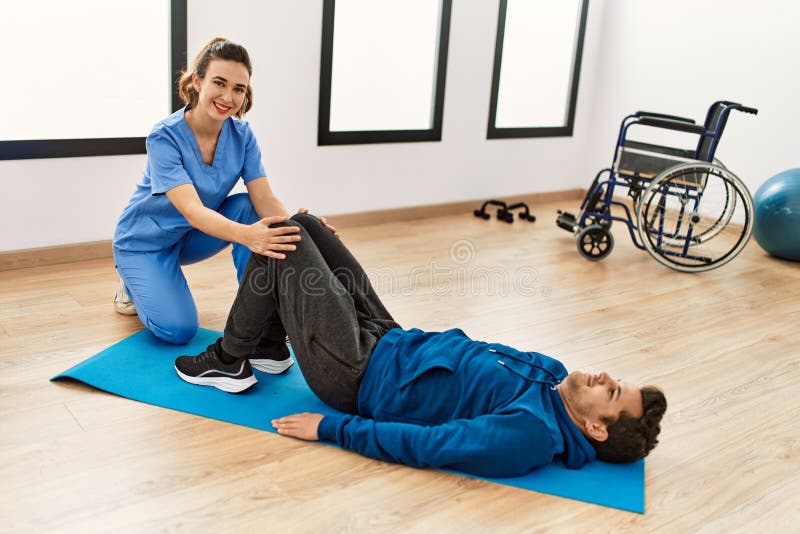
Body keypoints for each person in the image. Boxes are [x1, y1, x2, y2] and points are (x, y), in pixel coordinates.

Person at [174, 212, 667, 476]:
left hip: (356, 374)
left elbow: (431, 446)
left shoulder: (531, 436)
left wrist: (331, 429)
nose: (604, 376)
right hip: (390, 339)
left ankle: (228, 359)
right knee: (305, 226)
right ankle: (268, 344)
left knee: (282, 242)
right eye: (616, 380)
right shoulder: (554, 373)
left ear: (597, 429)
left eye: (611, 392)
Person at [113, 38, 335, 372]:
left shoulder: (242, 136)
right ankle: (132, 285)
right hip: (144, 243)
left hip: (191, 238)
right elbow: (192, 209)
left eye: (238, 89)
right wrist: (249, 236)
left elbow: (263, 198)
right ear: (198, 82)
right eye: (219, 83)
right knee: (179, 330)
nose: (228, 97)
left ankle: (256, 316)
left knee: (249, 208)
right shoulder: (164, 136)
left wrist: (301, 228)